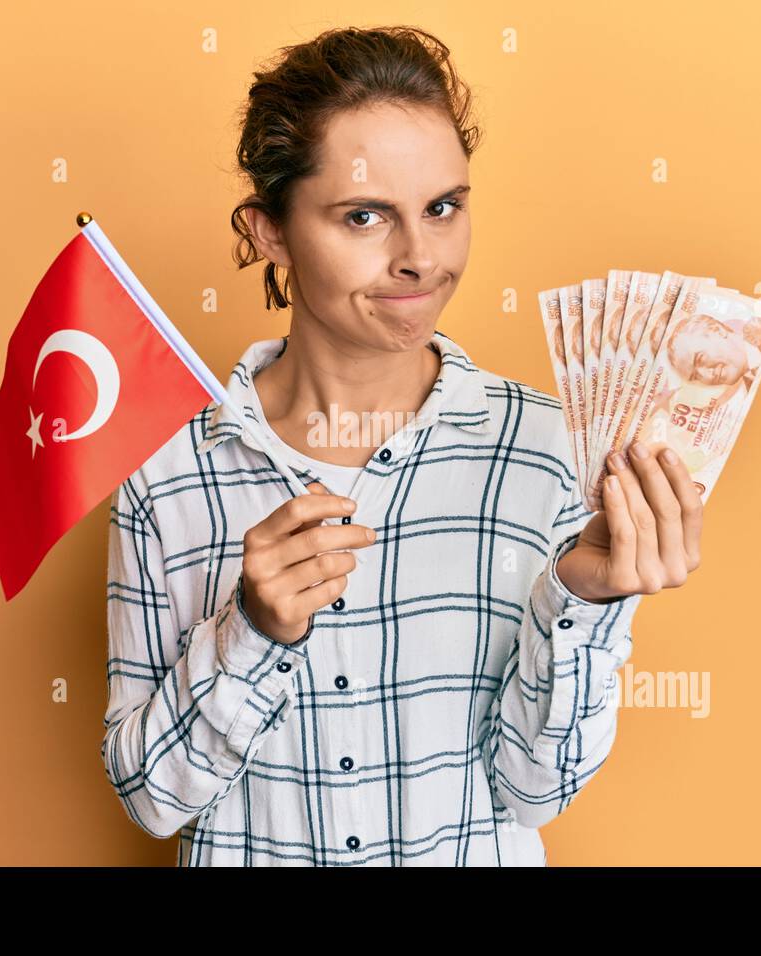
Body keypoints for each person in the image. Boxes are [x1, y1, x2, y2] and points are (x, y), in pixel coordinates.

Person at [102, 25, 703, 866]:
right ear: (269, 230)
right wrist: (250, 631)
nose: (420, 258)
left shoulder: (548, 451)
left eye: (443, 208)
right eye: (363, 217)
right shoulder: (169, 474)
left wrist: (582, 600)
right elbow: (150, 800)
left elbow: (534, 791)